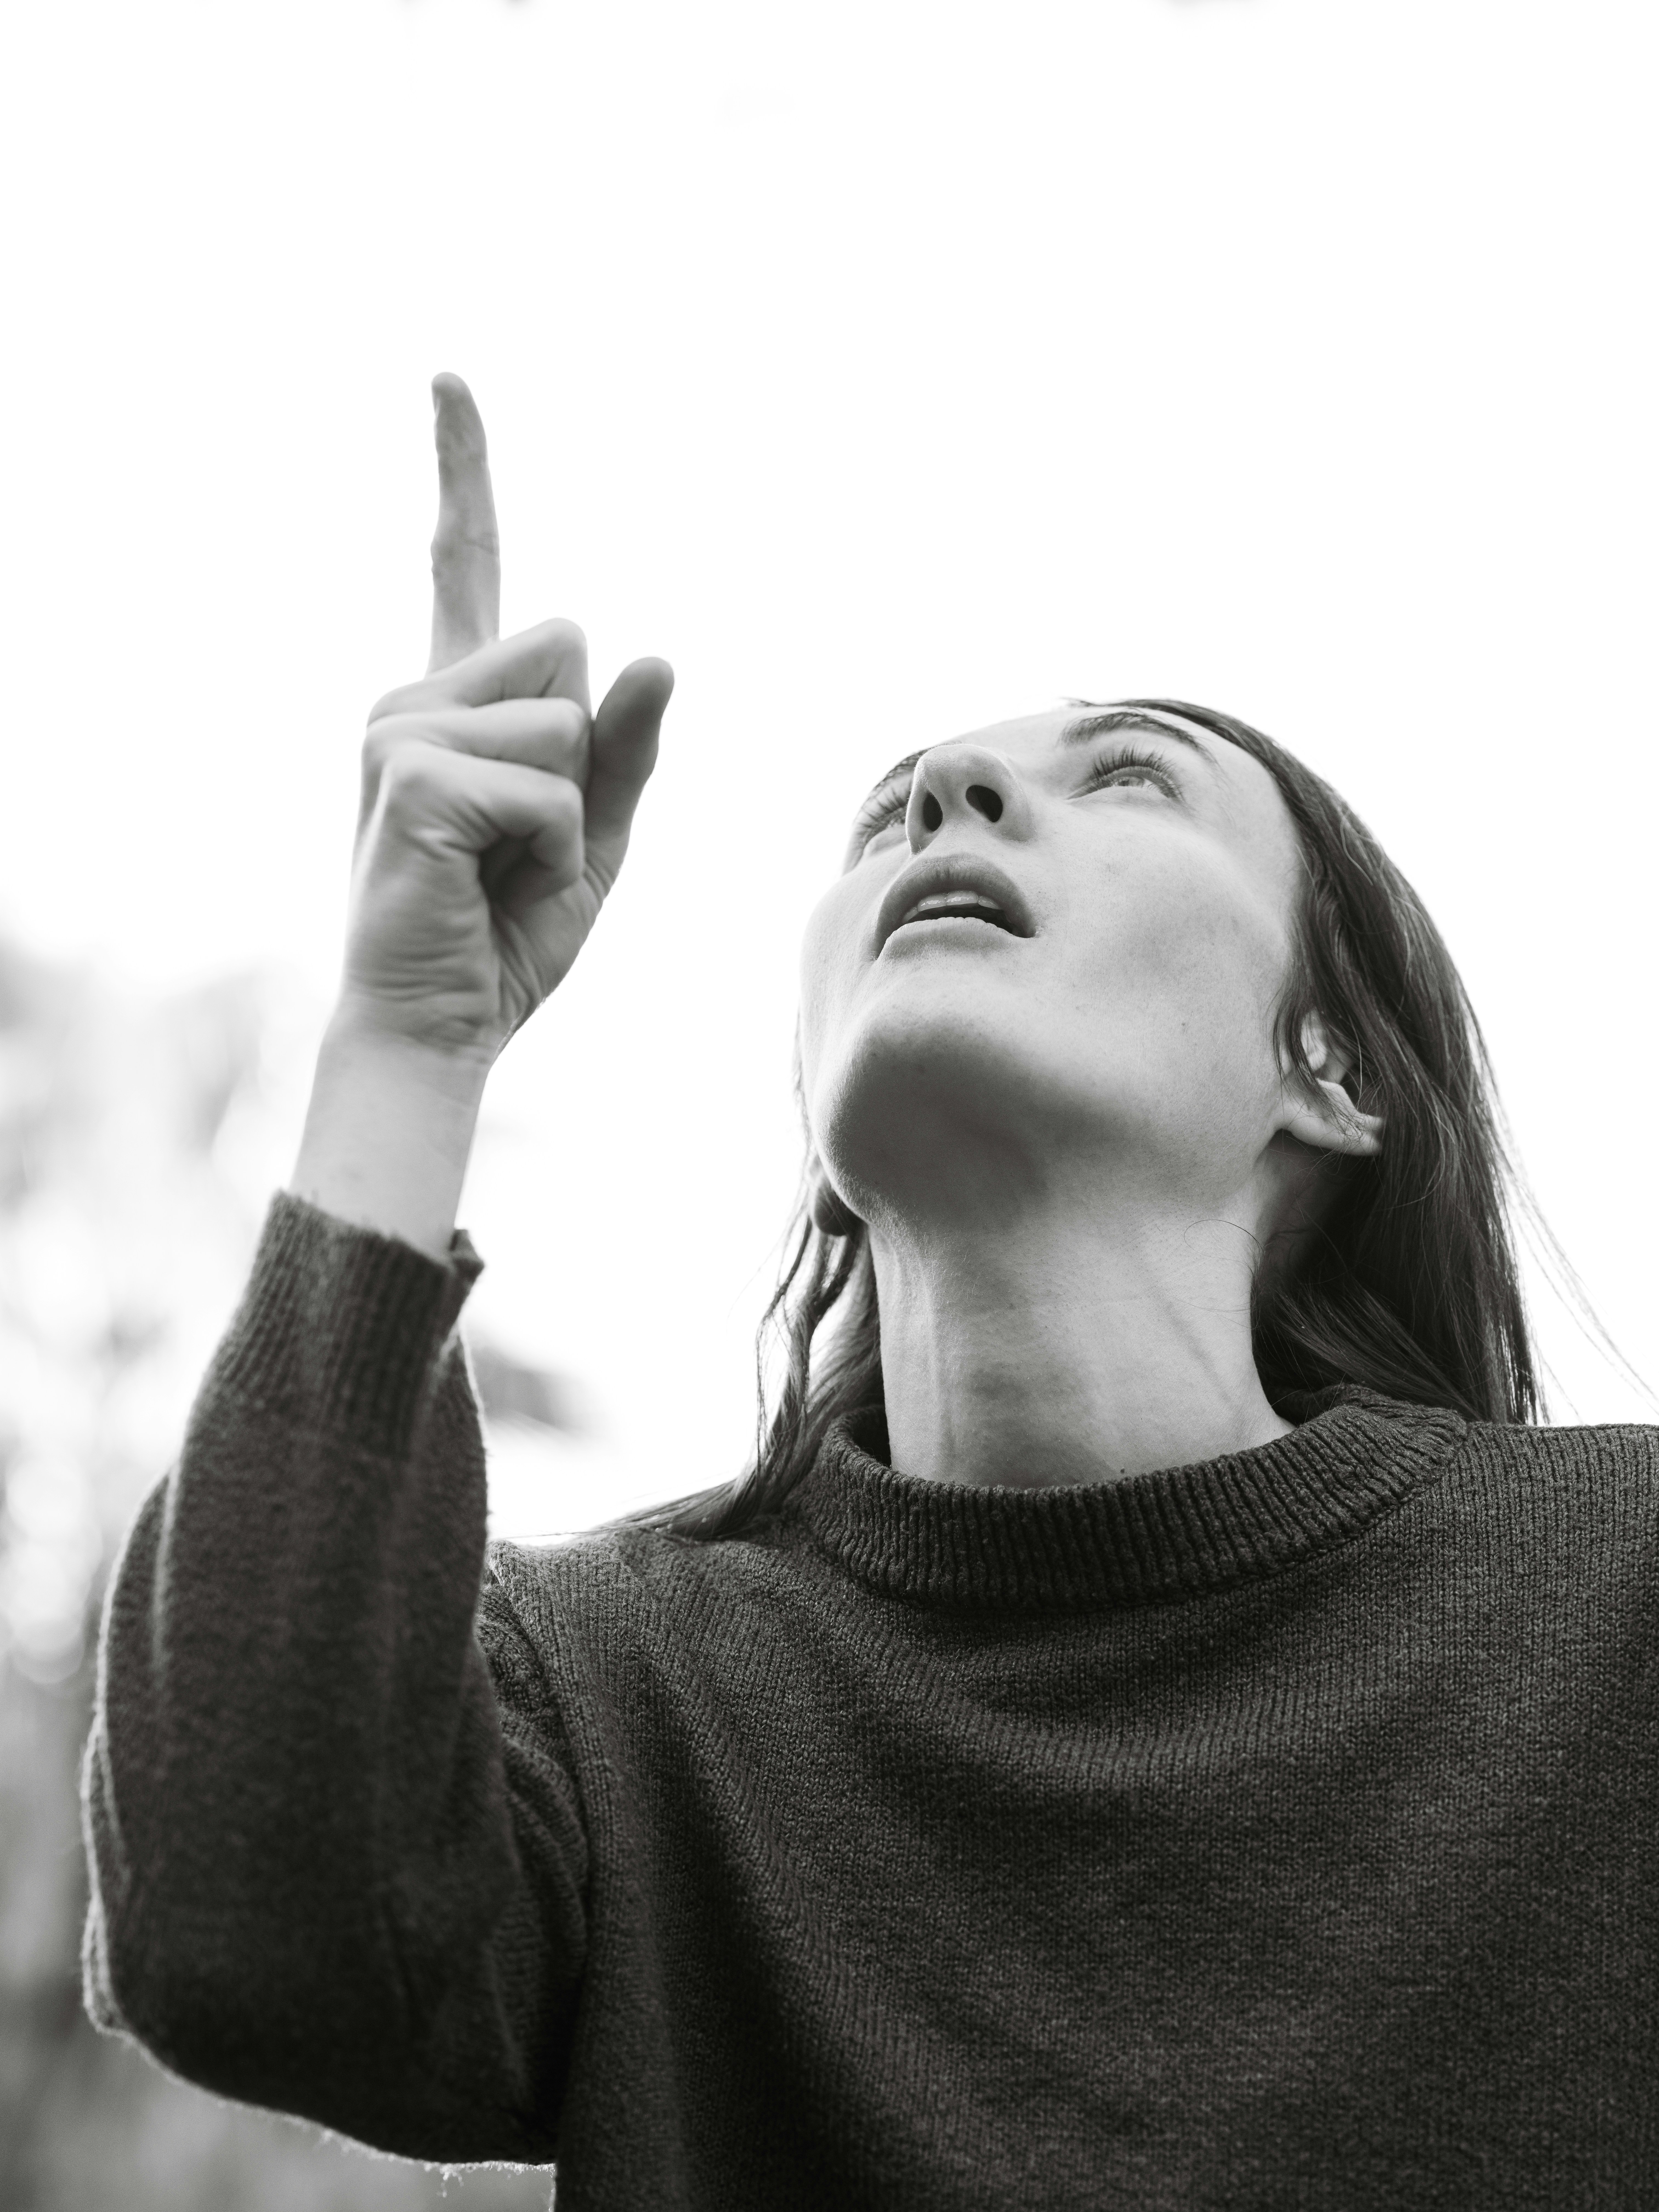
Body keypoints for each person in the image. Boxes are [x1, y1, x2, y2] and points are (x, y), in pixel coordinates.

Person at [81, 376, 1659, 2209]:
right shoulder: (612, 1687)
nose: (945, 797)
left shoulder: (1615, 1599)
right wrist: (407, 1041)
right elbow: (240, 1938)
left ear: (1331, 1064)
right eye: (891, 814)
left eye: (1127, 774)